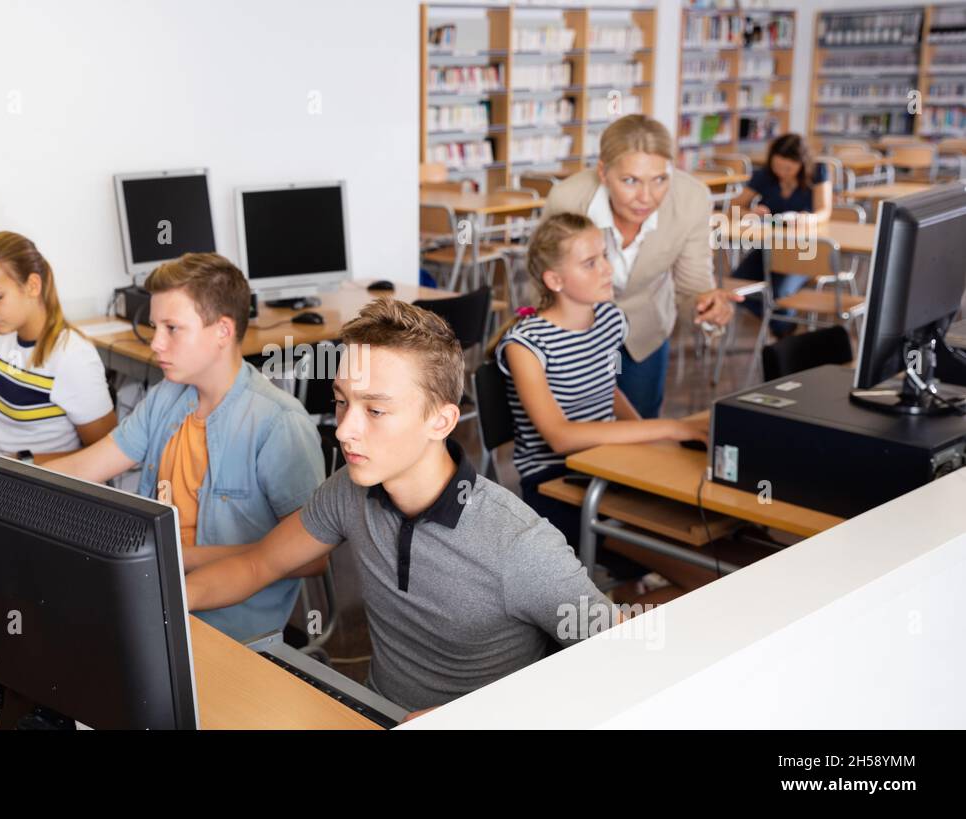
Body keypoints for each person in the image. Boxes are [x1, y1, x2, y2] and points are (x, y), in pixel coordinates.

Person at [183, 299, 615, 713]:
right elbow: (259, 565)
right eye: (341, 401)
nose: (345, 430)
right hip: (375, 709)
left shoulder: (521, 545)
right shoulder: (348, 490)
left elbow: (618, 662)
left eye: (375, 410)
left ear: (441, 421)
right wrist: (166, 603)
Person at [47, 252, 325, 641]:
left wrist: (173, 558)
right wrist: (5, 484)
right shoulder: (168, 396)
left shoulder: (278, 424)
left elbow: (311, 559)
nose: (156, 344)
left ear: (222, 331)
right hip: (155, 589)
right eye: (154, 327)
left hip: (230, 629)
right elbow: (87, 466)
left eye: (172, 328)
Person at [488, 212, 705, 564]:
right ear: (555, 280)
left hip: (608, 464)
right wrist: (671, 426)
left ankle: (630, 595)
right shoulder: (525, 345)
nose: (607, 269)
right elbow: (560, 437)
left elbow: (610, 389)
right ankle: (625, 604)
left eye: (604, 255)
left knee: (698, 526)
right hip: (555, 484)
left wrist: (658, 441)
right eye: (590, 263)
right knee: (689, 558)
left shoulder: (610, 319)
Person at [543, 115, 742, 418]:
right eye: (630, 181)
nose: (646, 198)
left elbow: (692, 287)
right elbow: (544, 280)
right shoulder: (568, 199)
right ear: (603, 172)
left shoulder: (691, 200)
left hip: (643, 330)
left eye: (659, 180)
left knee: (641, 428)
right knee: (578, 428)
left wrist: (707, 305)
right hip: (574, 334)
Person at [0, 231, 116, 462]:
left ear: (33, 286)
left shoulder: (72, 357)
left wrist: (25, 463)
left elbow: (109, 455)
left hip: (39, 487)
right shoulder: (6, 338)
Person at [727, 133, 834, 339]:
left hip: (805, 250)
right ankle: (781, 324)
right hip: (770, 248)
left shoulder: (818, 172)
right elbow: (734, 207)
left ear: (802, 164)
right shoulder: (765, 176)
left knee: (779, 293)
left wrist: (808, 219)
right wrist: (750, 212)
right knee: (737, 286)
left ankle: (782, 333)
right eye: (777, 167)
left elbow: (824, 211)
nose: (782, 173)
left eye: (788, 168)